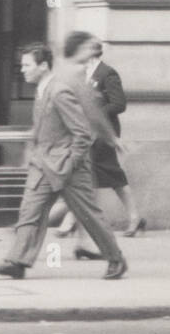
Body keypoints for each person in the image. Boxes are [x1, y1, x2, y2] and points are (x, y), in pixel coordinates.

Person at [0, 36, 127, 280]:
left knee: (89, 215)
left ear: (43, 66)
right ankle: (17, 261)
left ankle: (116, 259)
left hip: (68, 167)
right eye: (22, 65)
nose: (22, 70)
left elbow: (82, 133)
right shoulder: (42, 90)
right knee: (29, 211)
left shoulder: (59, 91)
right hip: (43, 164)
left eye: (27, 65)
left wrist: (72, 161)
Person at [54, 38, 144, 243]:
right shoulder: (80, 74)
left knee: (111, 176)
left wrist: (94, 114)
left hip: (103, 136)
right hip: (86, 134)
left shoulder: (107, 73)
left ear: (93, 53)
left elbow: (119, 104)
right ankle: (73, 221)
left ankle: (134, 218)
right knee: (87, 177)